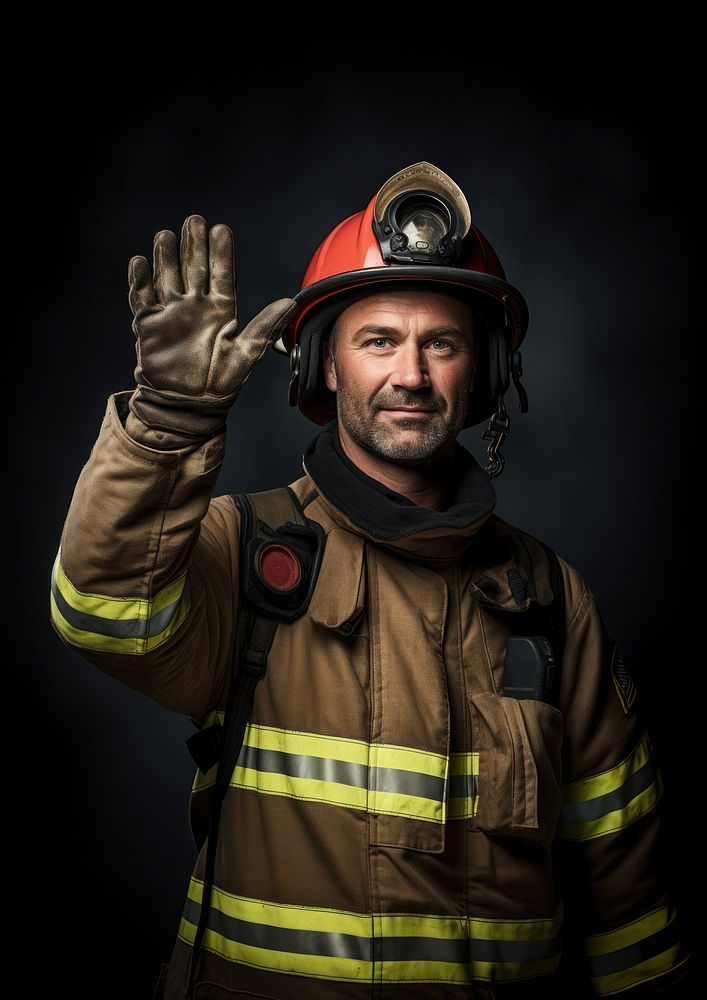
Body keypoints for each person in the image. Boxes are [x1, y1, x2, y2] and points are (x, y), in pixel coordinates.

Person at [49, 162, 690, 999]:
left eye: (442, 343)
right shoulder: (241, 551)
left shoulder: (549, 601)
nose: (411, 376)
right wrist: (169, 424)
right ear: (324, 366)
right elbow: (100, 612)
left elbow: (625, 889)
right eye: (378, 340)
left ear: (485, 371)